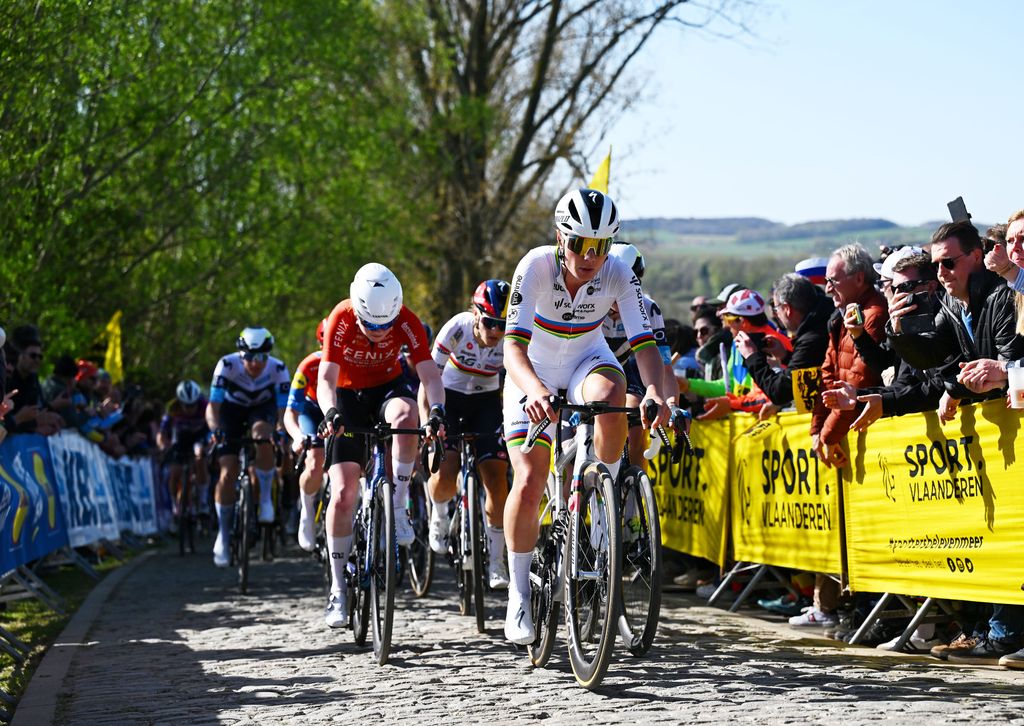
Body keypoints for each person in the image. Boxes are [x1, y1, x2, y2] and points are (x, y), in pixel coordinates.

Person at [500, 187, 667, 644]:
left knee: (614, 396)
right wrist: (535, 390)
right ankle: (518, 592)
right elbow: (512, 348)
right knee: (530, 478)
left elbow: (645, 344)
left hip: (584, 360)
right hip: (531, 370)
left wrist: (655, 392)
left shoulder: (618, 273)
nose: (590, 256)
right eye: (580, 244)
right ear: (561, 237)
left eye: (601, 245)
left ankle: (602, 508)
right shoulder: (535, 266)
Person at [317, 263, 446, 628]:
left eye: (385, 325)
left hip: (387, 389)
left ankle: (399, 505)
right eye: (371, 325)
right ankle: (338, 589)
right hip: (347, 396)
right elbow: (326, 378)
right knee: (343, 494)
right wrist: (330, 412)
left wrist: (437, 411)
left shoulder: (407, 319)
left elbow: (430, 375)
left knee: (407, 415)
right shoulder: (341, 317)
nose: (379, 332)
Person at [889, 219, 1024, 425]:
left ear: (976, 256)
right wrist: (900, 331)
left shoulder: (1003, 295)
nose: (941, 273)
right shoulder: (952, 302)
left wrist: (955, 388)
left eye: (948, 263)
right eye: (935, 265)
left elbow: (1004, 372)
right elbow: (929, 354)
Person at [424, 279, 512, 589]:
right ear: (475, 313)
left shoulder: (511, 336)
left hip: (486, 403)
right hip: (449, 398)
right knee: (445, 474)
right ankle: (439, 512)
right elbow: (429, 377)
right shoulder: (457, 328)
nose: (496, 331)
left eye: (502, 324)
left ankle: (497, 561)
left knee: (497, 480)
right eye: (489, 322)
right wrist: (428, 420)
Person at [205, 327, 290, 568]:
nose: (255, 363)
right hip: (230, 411)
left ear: (268, 355)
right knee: (227, 471)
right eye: (249, 357)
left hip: (261, 410)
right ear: (240, 355)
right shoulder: (227, 365)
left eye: (261, 357)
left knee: (263, 436)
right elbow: (213, 406)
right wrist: (215, 429)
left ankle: (265, 498)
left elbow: (283, 410)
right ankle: (223, 535)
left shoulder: (278, 369)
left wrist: (281, 430)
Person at [602, 242, 679, 467]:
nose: (622, 289)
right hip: (588, 368)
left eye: (631, 282)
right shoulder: (591, 304)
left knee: (636, 415)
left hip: (627, 367)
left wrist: (673, 405)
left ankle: (632, 486)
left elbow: (665, 367)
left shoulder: (648, 308)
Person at [681, 289, 792, 421]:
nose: (725, 326)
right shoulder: (741, 343)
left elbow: (772, 396)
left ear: (741, 320)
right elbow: (730, 385)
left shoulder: (769, 344)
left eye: (727, 318)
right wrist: (689, 384)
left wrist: (732, 405)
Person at [736, 273, 833, 408]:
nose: (776, 314)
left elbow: (779, 393)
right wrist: (785, 356)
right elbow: (808, 367)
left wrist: (752, 357)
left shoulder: (811, 339)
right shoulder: (823, 321)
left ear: (787, 309)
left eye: (776, 308)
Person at [283, 319, 327, 552]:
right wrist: (298, 436)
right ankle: (307, 511)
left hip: (339, 411)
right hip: (312, 411)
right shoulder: (308, 366)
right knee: (315, 461)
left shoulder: (353, 361)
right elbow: (290, 412)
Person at [157, 380, 210, 523]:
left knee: (200, 459)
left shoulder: (205, 406)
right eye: (186, 405)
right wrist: (163, 446)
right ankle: (175, 503)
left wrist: (208, 445)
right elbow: (162, 432)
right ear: (180, 402)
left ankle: (203, 502)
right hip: (181, 440)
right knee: (175, 471)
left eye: (193, 405)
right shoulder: (173, 408)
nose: (190, 409)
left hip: (200, 437)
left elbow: (213, 426)